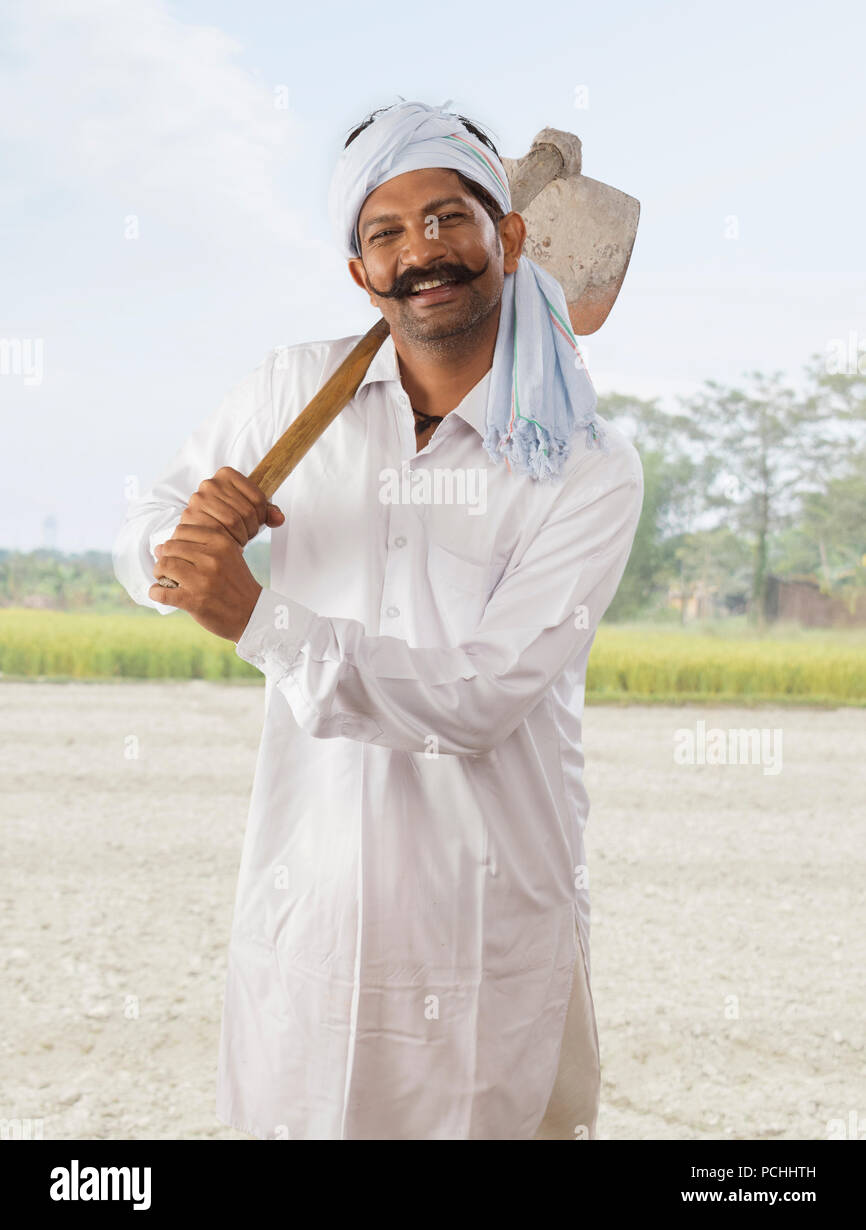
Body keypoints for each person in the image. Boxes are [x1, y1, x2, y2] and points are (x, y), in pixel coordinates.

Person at [112, 99, 644, 1140]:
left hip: (486, 908)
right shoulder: (289, 389)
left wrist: (259, 618)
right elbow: (147, 540)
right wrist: (184, 543)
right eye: (385, 232)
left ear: (510, 236)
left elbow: (480, 697)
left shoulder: (584, 461)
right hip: (312, 899)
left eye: (449, 217)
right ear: (359, 270)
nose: (422, 251)